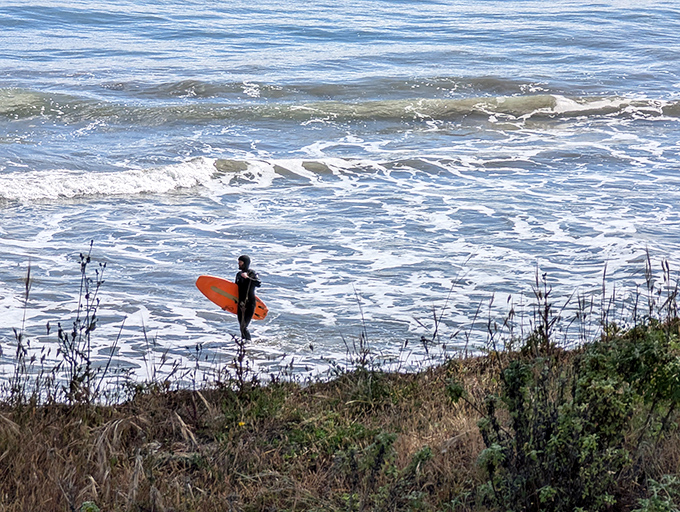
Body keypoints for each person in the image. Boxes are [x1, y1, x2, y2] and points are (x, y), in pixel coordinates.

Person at [235, 254, 261, 340]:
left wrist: (247, 278)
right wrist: (224, 303)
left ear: (245, 263)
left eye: (241, 262)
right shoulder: (238, 275)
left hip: (250, 303)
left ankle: (249, 344)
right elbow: (234, 290)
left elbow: (258, 283)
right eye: (238, 262)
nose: (239, 264)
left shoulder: (252, 273)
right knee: (241, 327)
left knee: (244, 326)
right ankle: (243, 346)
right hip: (240, 304)